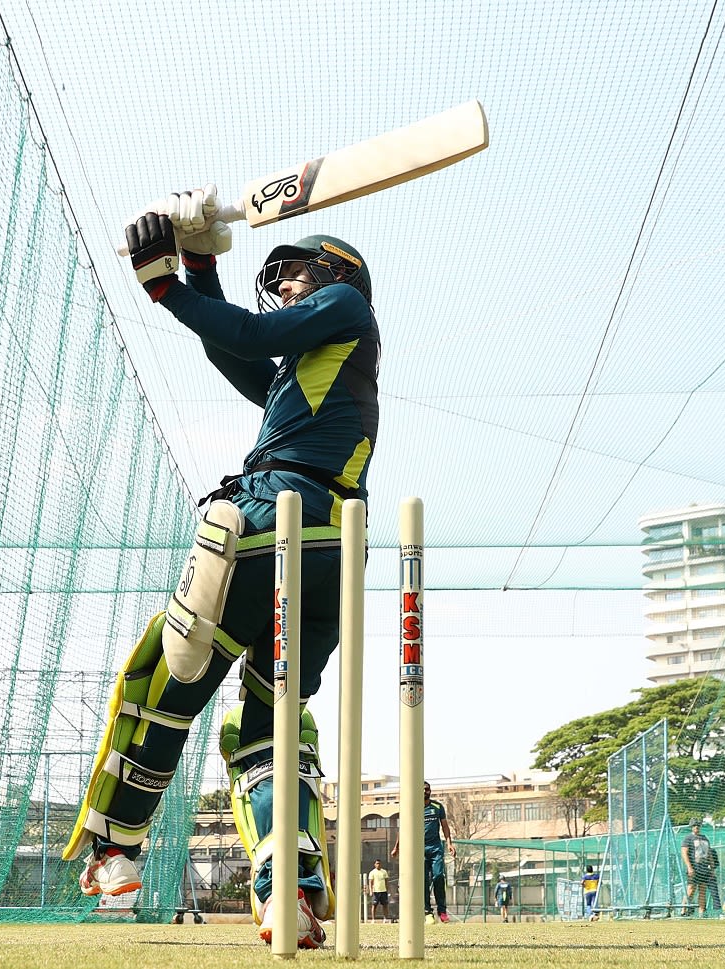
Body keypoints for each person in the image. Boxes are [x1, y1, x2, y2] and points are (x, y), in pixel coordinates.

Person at [63, 186, 380, 951]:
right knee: (269, 724)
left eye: (298, 273)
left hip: (274, 521)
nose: (288, 285)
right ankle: (291, 897)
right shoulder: (307, 376)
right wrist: (201, 261)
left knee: (167, 676)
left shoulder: (346, 307)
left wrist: (161, 278)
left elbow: (245, 326)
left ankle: (117, 850)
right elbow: (234, 344)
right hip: (336, 548)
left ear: (336, 274)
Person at [393, 781, 456, 923]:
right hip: (418, 850)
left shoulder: (437, 807)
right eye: (422, 790)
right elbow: (402, 829)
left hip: (435, 848)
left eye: (427, 789)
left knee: (439, 877)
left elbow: (445, 826)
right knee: (423, 881)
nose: (425, 792)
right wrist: (397, 847)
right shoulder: (411, 808)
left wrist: (449, 843)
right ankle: (427, 912)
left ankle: (442, 911)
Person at [681, 820, 712, 916]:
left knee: (702, 889)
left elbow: (709, 854)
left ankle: (702, 912)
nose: (696, 827)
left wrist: (712, 866)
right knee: (691, 889)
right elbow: (684, 853)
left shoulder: (705, 838)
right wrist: (689, 867)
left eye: (698, 825)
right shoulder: (688, 838)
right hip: (694, 867)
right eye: (694, 825)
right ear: (691, 827)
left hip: (704, 867)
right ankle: (684, 910)